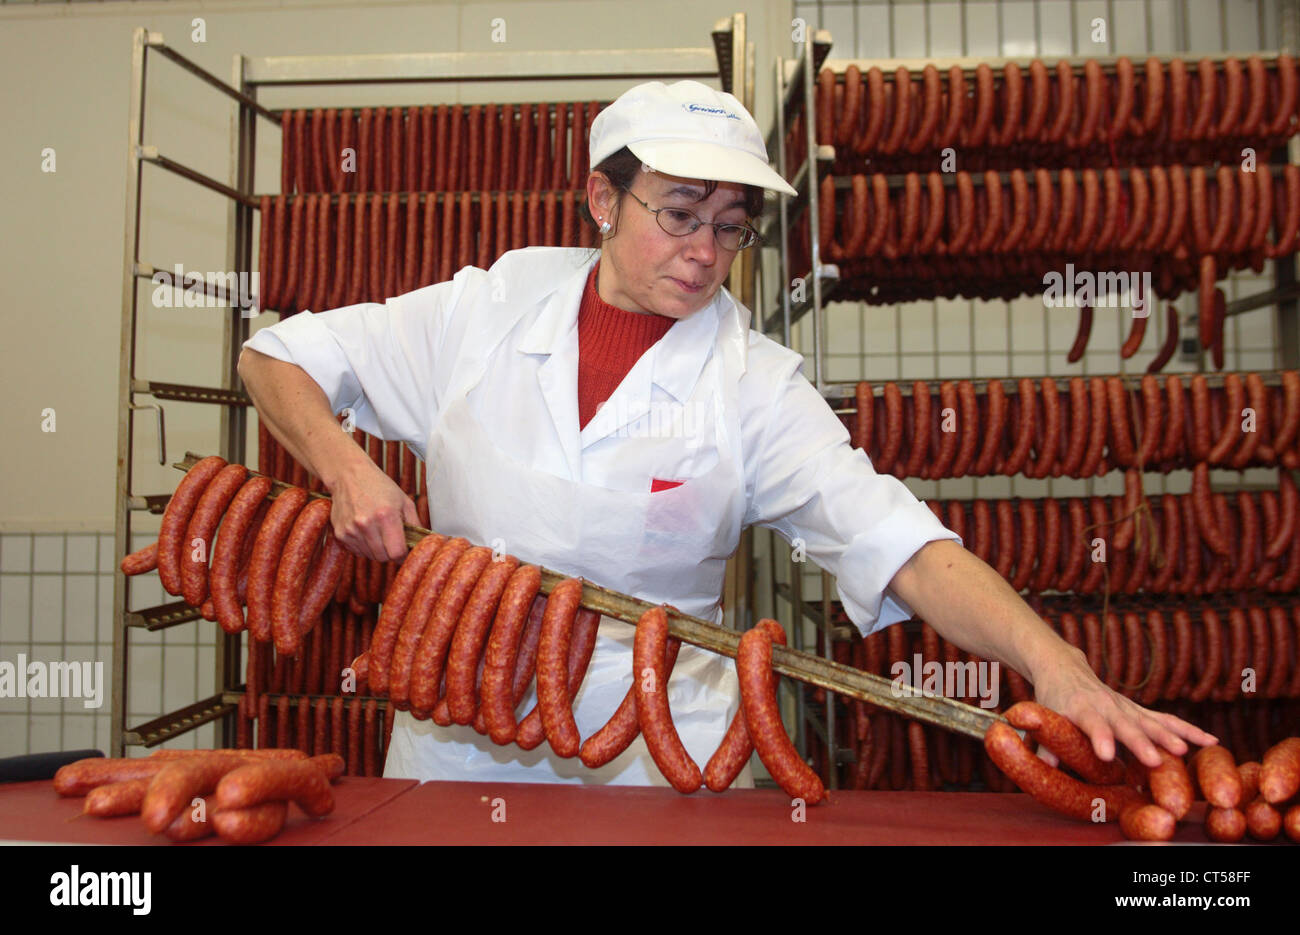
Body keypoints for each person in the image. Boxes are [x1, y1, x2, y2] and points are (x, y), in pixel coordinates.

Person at [238, 79, 1214, 785]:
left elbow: (892, 538)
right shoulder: (481, 311)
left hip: (658, 759)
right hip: (455, 742)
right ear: (600, 199)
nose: (705, 252)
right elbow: (273, 355)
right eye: (678, 213)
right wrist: (342, 464)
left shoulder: (752, 382)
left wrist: (1057, 666)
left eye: (731, 225)